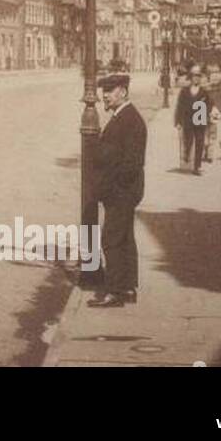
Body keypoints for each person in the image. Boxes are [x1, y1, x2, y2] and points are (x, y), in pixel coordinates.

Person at [88, 70, 147, 308]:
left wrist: (110, 187)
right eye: (103, 92)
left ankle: (114, 292)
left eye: (109, 92)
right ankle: (128, 288)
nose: (104, 96)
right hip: (125, 190)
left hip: (122, 191)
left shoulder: (129, 120)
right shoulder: (124, 116)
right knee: (125, 239)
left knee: (111, 239)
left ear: (122, 92)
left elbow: (131, 162)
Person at [174, 66, 212, 174]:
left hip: (200, 120)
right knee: (188, 141)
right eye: (194, 76)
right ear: (190, 77)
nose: (196, 78)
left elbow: (209, 105)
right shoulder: (184, 91)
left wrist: (208, 118)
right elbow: (179, 107)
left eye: (198, 76)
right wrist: (178, 121)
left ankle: (197, 166)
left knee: (200, 143)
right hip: (188, 120)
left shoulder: (204, 92)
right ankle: (186, 160)